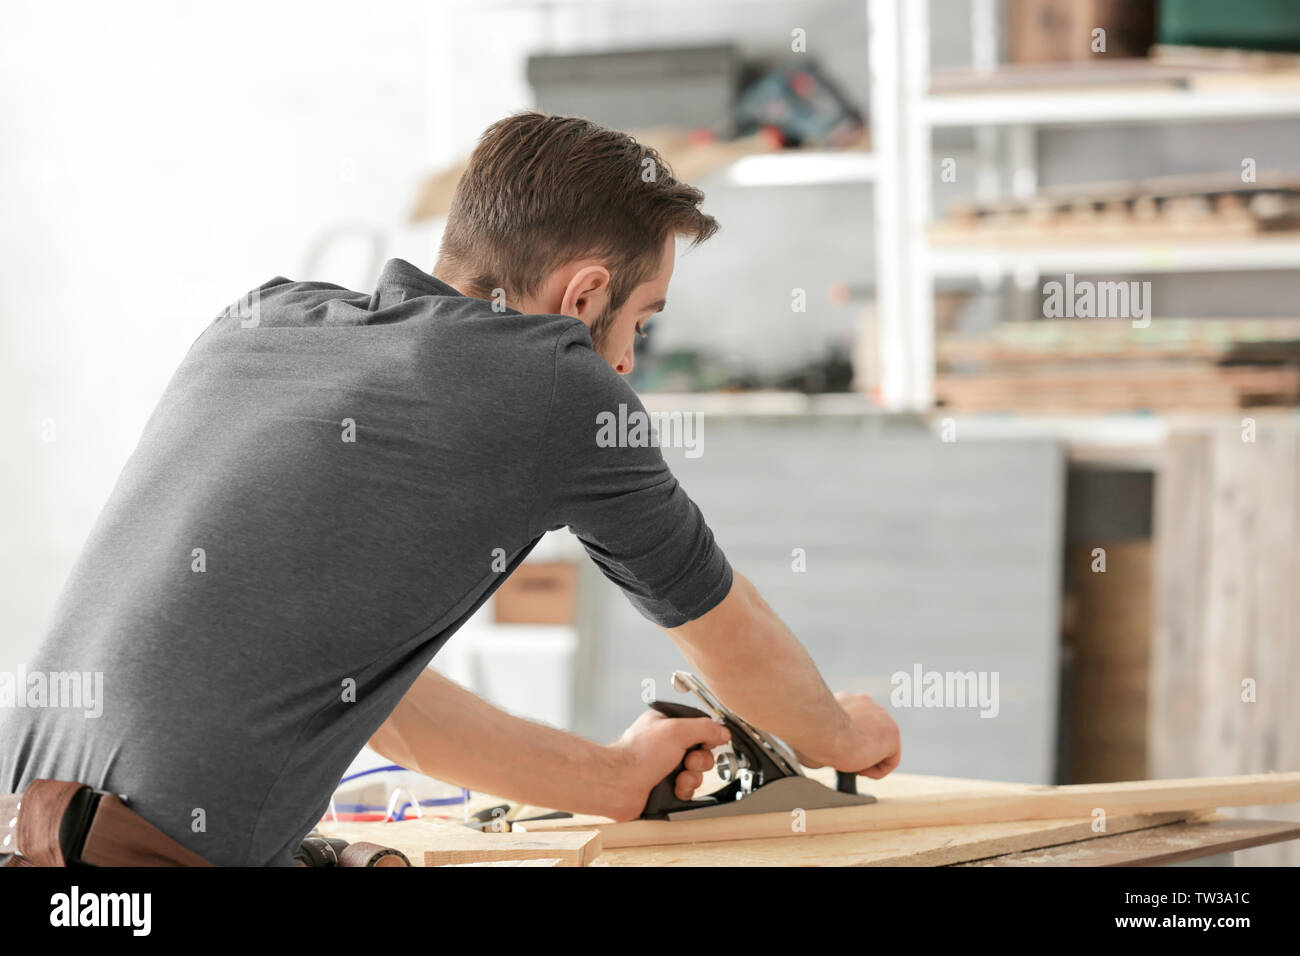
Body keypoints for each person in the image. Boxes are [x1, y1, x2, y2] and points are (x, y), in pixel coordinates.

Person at [0, 111, 899, 866]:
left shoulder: (263, 320)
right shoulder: (557, 382)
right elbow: (723, 628)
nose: (627, 362)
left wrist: (610, 778)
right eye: (640, 322)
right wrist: (842, 735)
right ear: (584, 295)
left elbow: (375, 701)